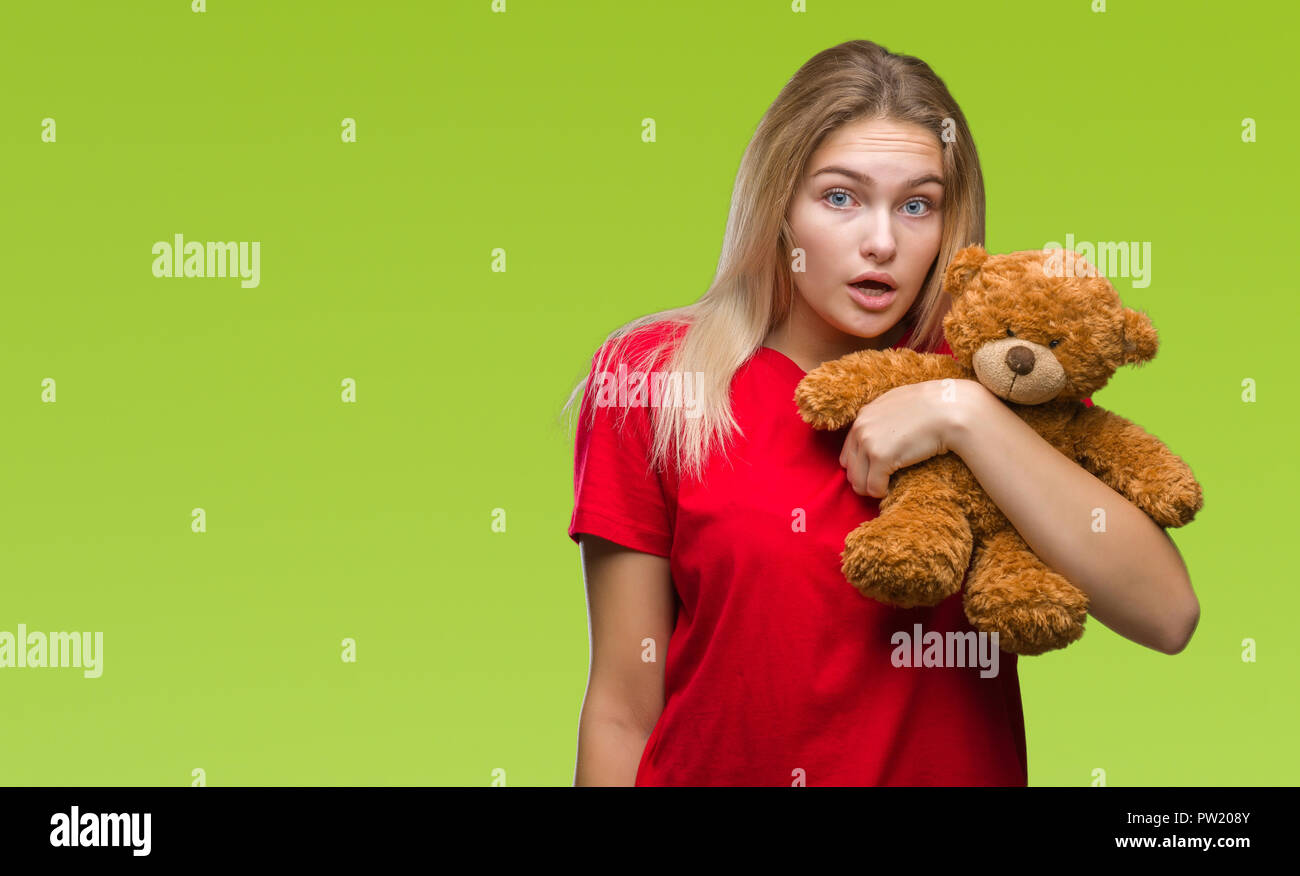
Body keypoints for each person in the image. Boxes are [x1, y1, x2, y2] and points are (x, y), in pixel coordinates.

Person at [562, 39, 1199, 787]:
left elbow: (1167, 614)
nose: (882, 242)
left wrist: (966, 414)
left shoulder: (1005, 373)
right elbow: (621, 710)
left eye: (917, 205)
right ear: (777, 205)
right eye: (840, 197)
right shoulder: (655, 378)